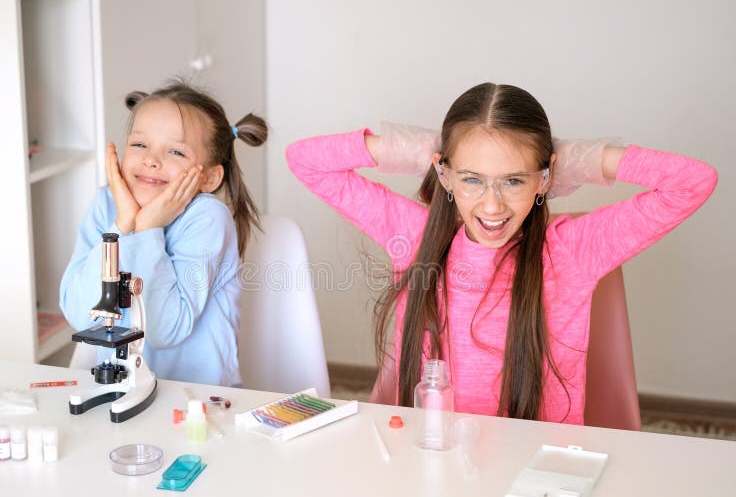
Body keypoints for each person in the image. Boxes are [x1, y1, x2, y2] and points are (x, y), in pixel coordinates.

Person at [286, 83, 717, 424]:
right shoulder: (414, 234)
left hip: (532, 468)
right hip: (430, 453)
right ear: (445, 175)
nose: (492, 206)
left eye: (513, 181)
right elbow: (304, 160)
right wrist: (416, 150)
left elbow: (693, 182)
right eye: (472, 179)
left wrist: (584, 160)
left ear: (544, 179)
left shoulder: (573, 250)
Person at [61, 80, 265, 385]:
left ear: (209, 177)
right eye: (140, 144)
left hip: (195, 401)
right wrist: (123, 225)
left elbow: (164, 330)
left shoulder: (208, 218)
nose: (151, 160)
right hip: (122, 390)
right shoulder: (108, 205)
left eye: (175, 152)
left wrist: (147, 229)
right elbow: (81, 314)